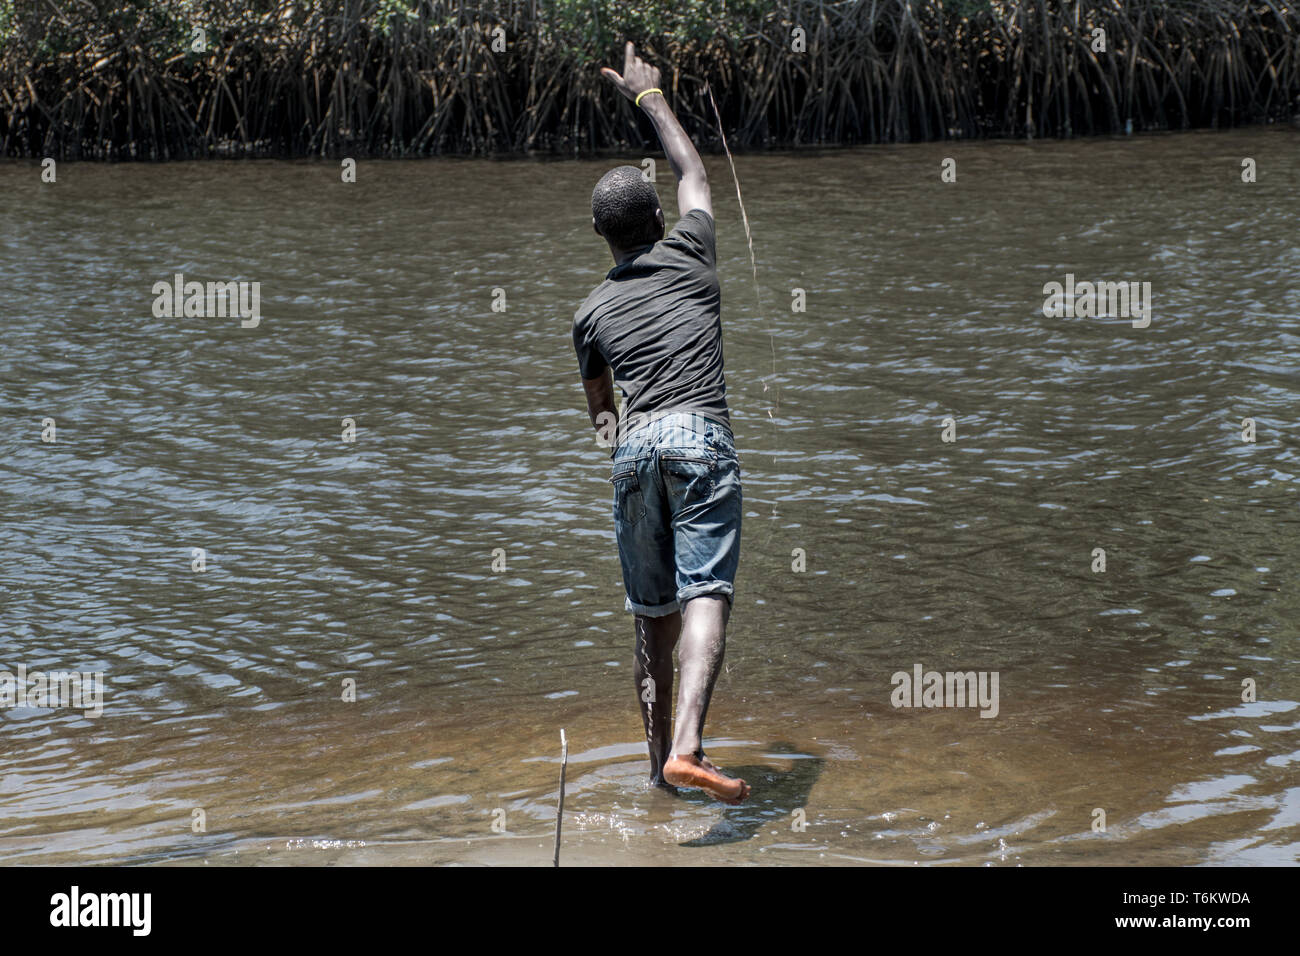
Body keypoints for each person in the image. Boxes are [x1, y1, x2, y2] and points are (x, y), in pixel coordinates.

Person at [571, 42, 749, 805]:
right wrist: (649, 97)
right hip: (699, 436)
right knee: (707, 591)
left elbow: (602, 414)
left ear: (605, 239)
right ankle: (688, 746)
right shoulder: (692, 249)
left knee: (651, 624)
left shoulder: (589, 313)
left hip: (634, 451)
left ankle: (657, 778)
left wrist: (627, 463)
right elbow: (694, 174)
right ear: (654, 220)